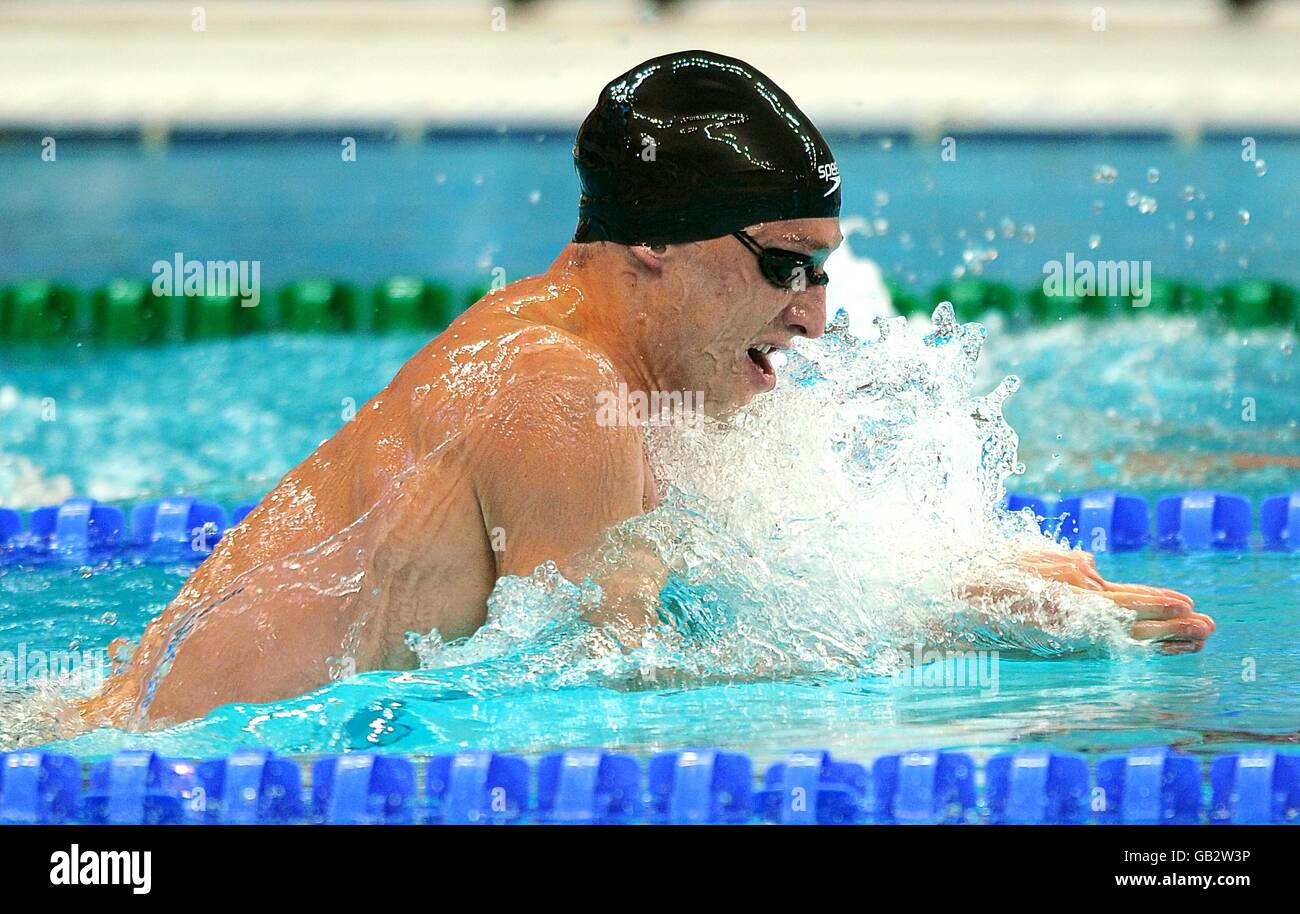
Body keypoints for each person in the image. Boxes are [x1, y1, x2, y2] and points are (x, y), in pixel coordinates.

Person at [74, 50, 1213, 731]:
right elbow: (603, 683)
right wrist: (961, 629)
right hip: (175, 777)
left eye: (820, 268)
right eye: (783, 264)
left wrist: (977, 578)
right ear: (657, 246)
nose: (814, 314)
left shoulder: (635, 369)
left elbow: (720, 586)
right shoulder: (561, 393)